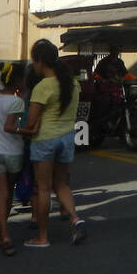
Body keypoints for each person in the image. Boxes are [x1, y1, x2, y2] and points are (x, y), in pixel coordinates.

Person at [21, 39, 85, 248]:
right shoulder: (73, 83)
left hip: (45, 140)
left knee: (43, 189)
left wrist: (19, 129)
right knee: (62, 184)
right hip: (67, 138)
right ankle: (75, 219)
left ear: (39, 61)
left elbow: (31, 123)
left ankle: (42, 236)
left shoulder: (42, 87)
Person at [0, 65, 28, 256]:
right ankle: (5, 236)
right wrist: (29, 131)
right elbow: (10, 127)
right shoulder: (17, 102)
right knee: (7, 194)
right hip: (13, 151)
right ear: (18, 81)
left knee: (1, 193)